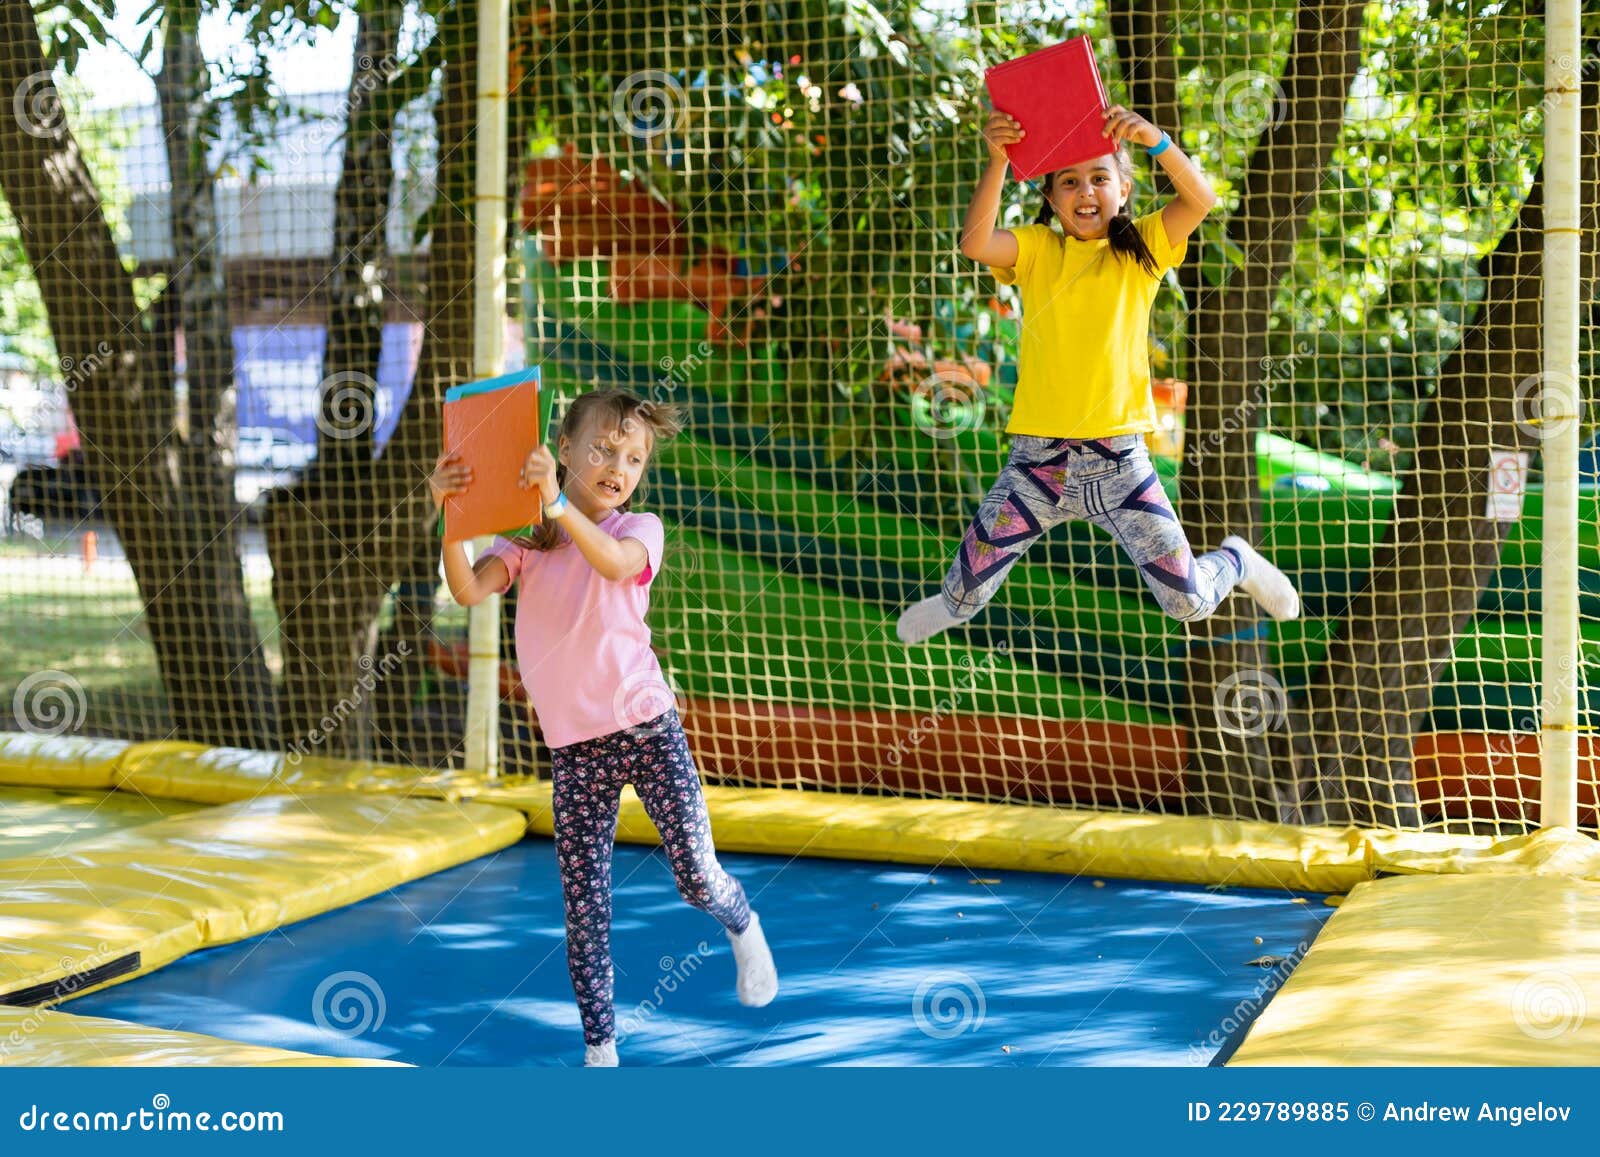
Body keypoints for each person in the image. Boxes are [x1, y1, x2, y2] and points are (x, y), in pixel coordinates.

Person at [429, 387, 778, 1067]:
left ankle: (742, 920)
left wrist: (558, 504)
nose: (619, 465)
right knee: (584, 906)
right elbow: (469, 590)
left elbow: (613, 566)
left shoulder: (636, 528)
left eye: (634, 457)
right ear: (562, 449)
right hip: (574, 748)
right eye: (603, 448)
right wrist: (452, 517)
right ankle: (601, 1048)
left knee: (695, 874)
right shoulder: (526, 540)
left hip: (646, 725)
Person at [897, 106, 1299, 645]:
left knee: (1191, 604)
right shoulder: (1040, 251)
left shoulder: (1143, 250)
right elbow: (974, 242)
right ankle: (951, 605)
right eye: (1069, 181)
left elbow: (1201, 198)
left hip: (1120, 467)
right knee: (963, 598)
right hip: (1037, 465)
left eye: (1099, 177)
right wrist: (997, 161)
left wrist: (1155, 140)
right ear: (1051, 197)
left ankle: (1236, 559)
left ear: (1124, 188)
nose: (1085, 190)